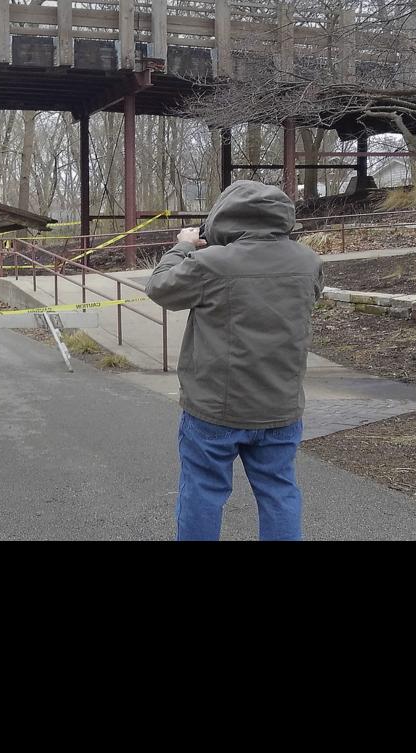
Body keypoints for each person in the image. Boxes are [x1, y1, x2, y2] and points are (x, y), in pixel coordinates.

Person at [145, 181, 324, 541]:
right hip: (280, 406)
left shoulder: (210, 263)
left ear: (224, 217)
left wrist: (183, 245)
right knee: (279, 492)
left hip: (214, 407)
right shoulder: (308, 262)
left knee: (203, 492)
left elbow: (160, 288)